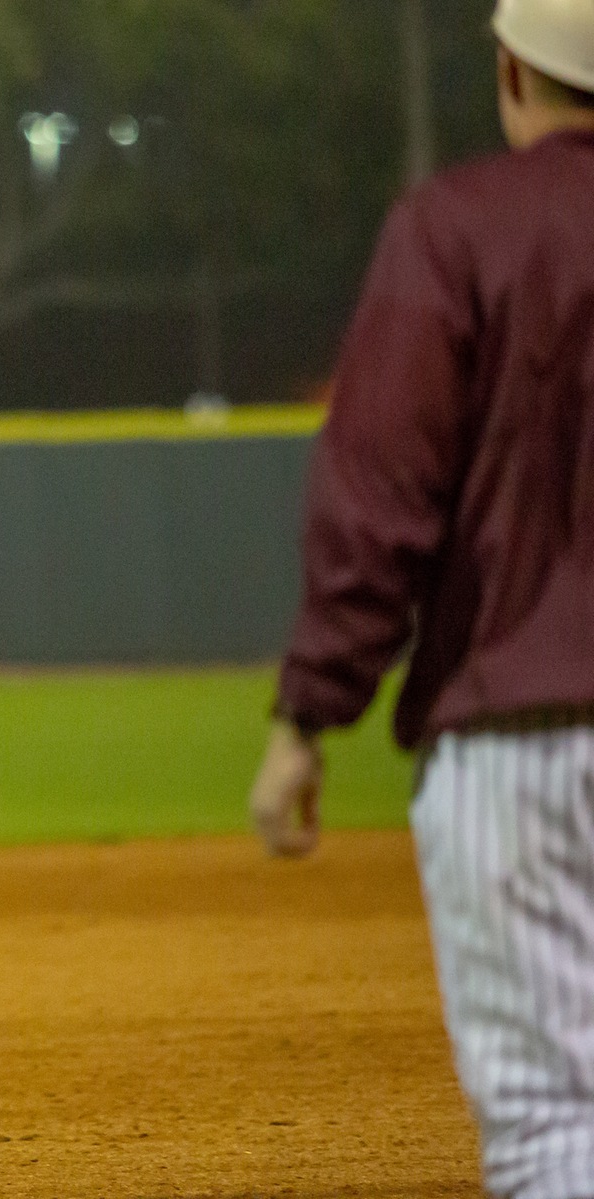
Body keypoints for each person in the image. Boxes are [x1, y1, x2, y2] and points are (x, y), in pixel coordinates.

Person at [247, 3, 594, 1195]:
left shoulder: (455, 231)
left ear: (511, 69)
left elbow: (380, 501)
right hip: (512, 729)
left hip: (510, 738)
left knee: (555, 1126)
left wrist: (308, 715)